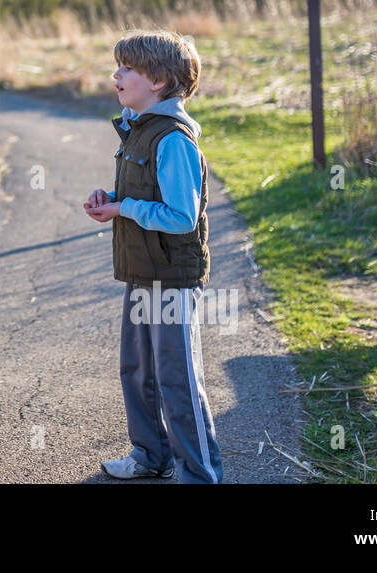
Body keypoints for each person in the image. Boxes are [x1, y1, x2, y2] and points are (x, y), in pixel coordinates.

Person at [84, 28, 223, 484]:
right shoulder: (136, 130)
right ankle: (150, 456)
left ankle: (200, 475)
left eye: (127, 68)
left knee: (177, 379)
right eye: (118, 65)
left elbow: (181, 216)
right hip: (141, 272)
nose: (116, 74)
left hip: (172, 279)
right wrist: (112, 199)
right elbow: (145, 197)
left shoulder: (174, 140)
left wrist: (125, 207)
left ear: (158, 81)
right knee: (137, 370)